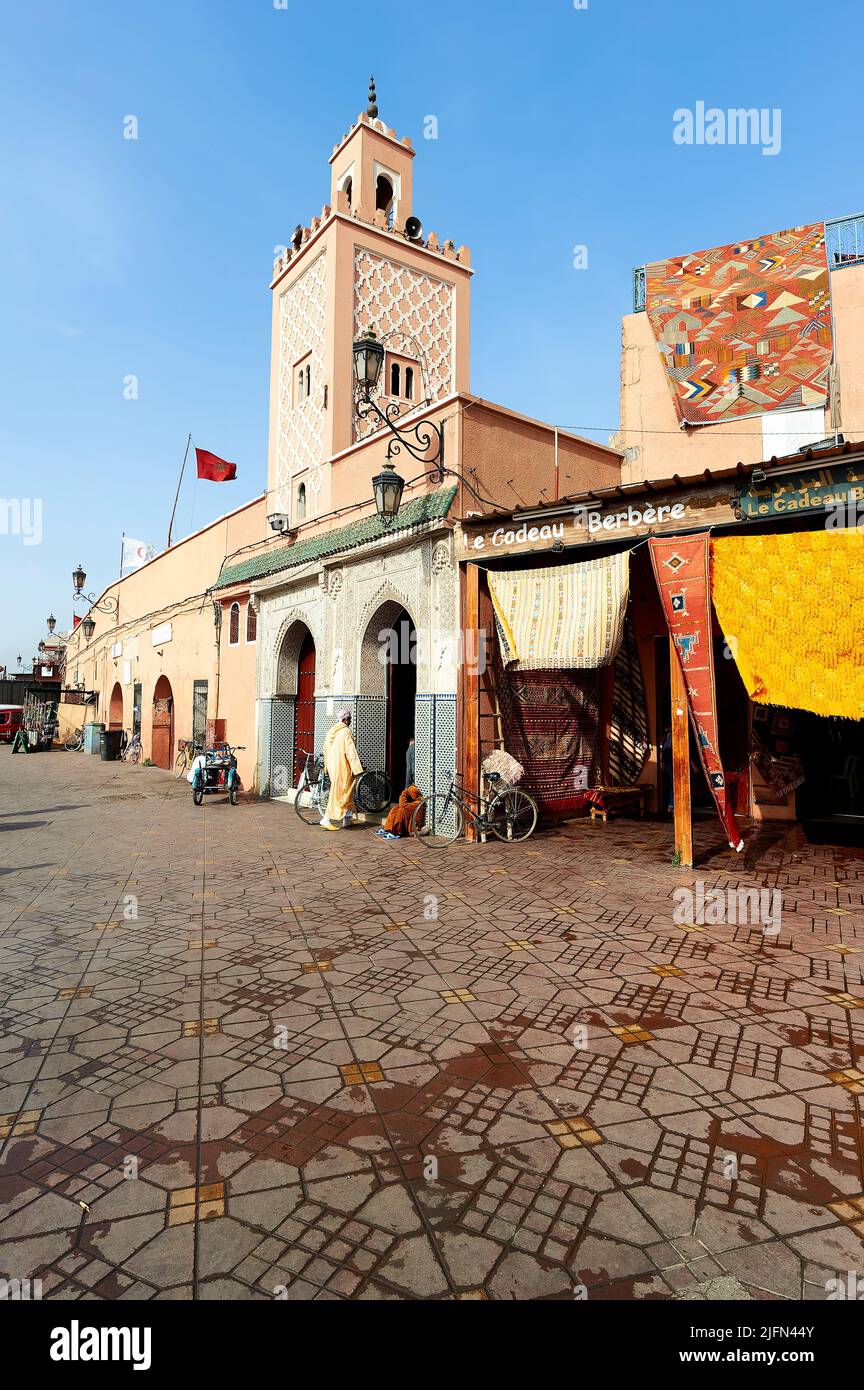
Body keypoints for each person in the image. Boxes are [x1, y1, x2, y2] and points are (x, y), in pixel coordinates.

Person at [320, 709, 363, 830]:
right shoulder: (345, 732)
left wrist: (327, 765)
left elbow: (325, 748)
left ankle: (347, 819)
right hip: (344, 767)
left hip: (334, 768)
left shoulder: (332, 730)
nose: (349, 721)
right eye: (349, 719)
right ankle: (326, 819)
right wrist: (357, 768)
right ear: (344, 719)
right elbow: (351, 751)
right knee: (340, 793)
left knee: (347, 792)